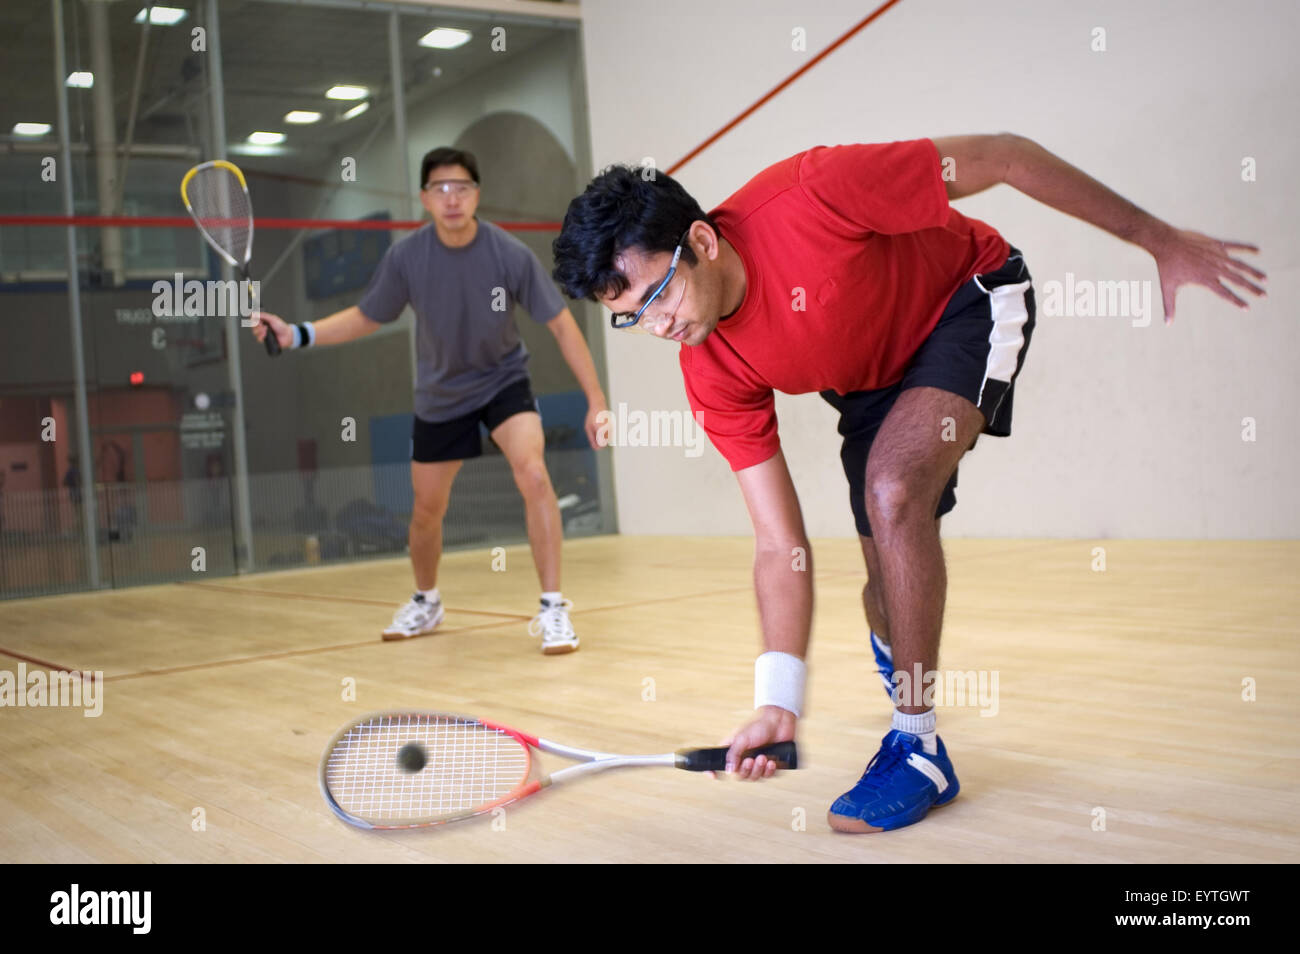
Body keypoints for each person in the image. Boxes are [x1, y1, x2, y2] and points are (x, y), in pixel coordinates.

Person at [552, 134, 1265, 829]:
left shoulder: (814, 191)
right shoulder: (710, 368)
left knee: (892, 491)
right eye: (629, 319)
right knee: (886, 587)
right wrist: (780, 701)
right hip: (871, 385)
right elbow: (779, 544)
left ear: (702, 242)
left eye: (658, 296)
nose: (657, 325)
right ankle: (900, 647)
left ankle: (919, 747)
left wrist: (1156, 237)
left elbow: (1007, 155)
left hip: (971, 299)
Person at [255, 147, 608, 653]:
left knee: (533, 473)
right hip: (442, 396)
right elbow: (367, 316)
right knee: (426, 509)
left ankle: (553, 607)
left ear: (477, 194)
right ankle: (427, 600)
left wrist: (595, 399)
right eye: (440, 189)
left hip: (505, 383)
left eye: (462, 188)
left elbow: (561, 323)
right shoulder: (406, 258)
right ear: (424, 198)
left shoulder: (509, 254)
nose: (452, 198)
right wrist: (298, 334)